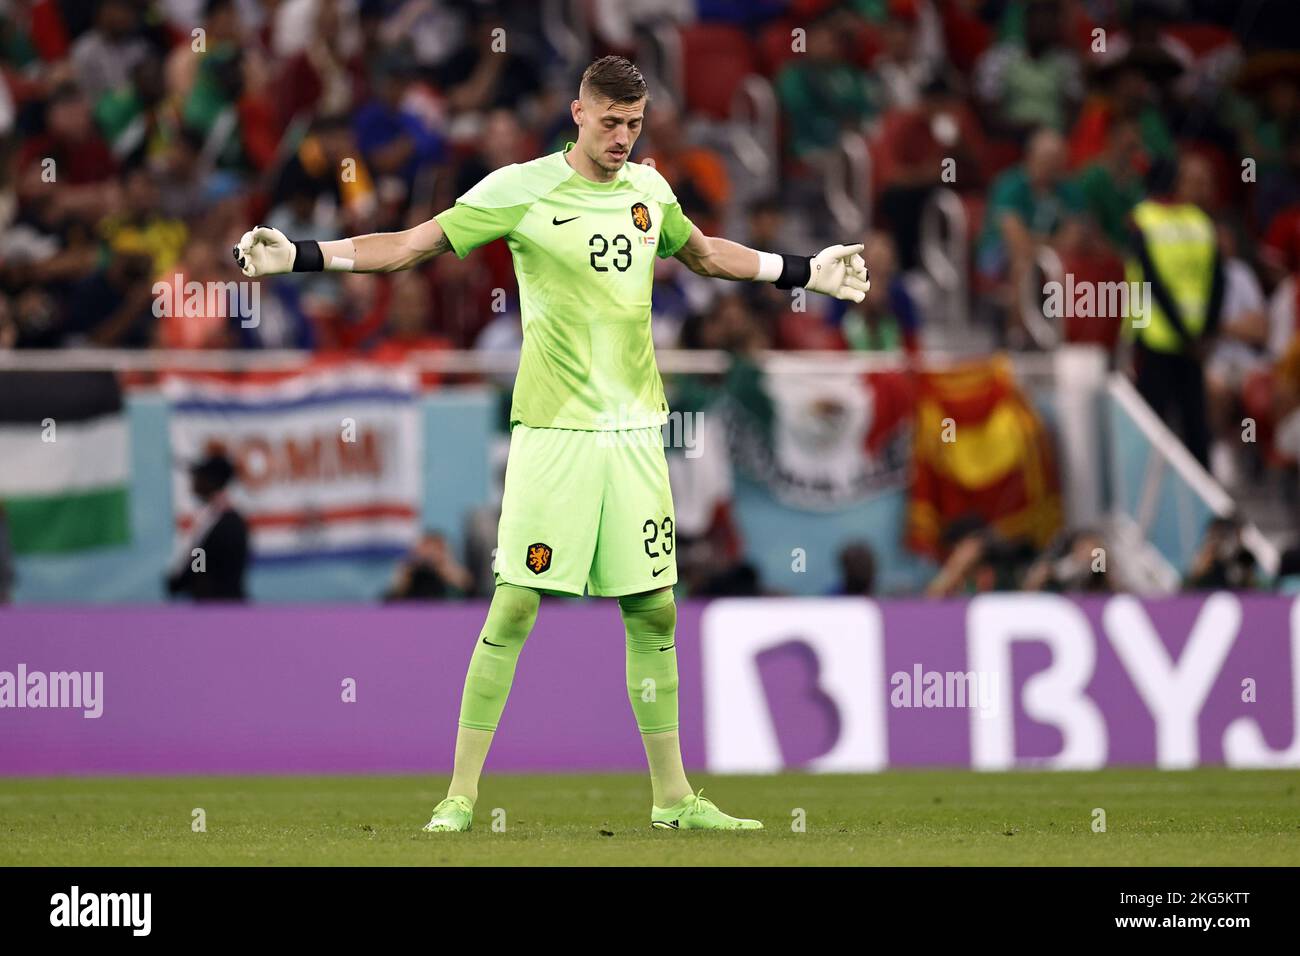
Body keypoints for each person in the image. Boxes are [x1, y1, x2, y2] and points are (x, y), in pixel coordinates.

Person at [233, 55, 869, 833]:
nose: (622, 139)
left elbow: (704, 253)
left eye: (634, 126)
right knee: (517, 603)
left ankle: (673, 800)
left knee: (656, 612)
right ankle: (460, 793)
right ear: (577, 112)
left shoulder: (649, 191)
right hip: (555, 433)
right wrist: (299, 255)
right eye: (609, 122)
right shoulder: (517, 189)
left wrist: (806, 270)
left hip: (636, 431)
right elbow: (409, 246)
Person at [165, 451, 249, 602]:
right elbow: (200, 562)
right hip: (215, 607)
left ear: (211, 481)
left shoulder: (226, 522)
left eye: (198, 475)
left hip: (223, 610)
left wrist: (184, 580)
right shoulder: (210, 519)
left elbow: (202, 566)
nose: (193, 480)